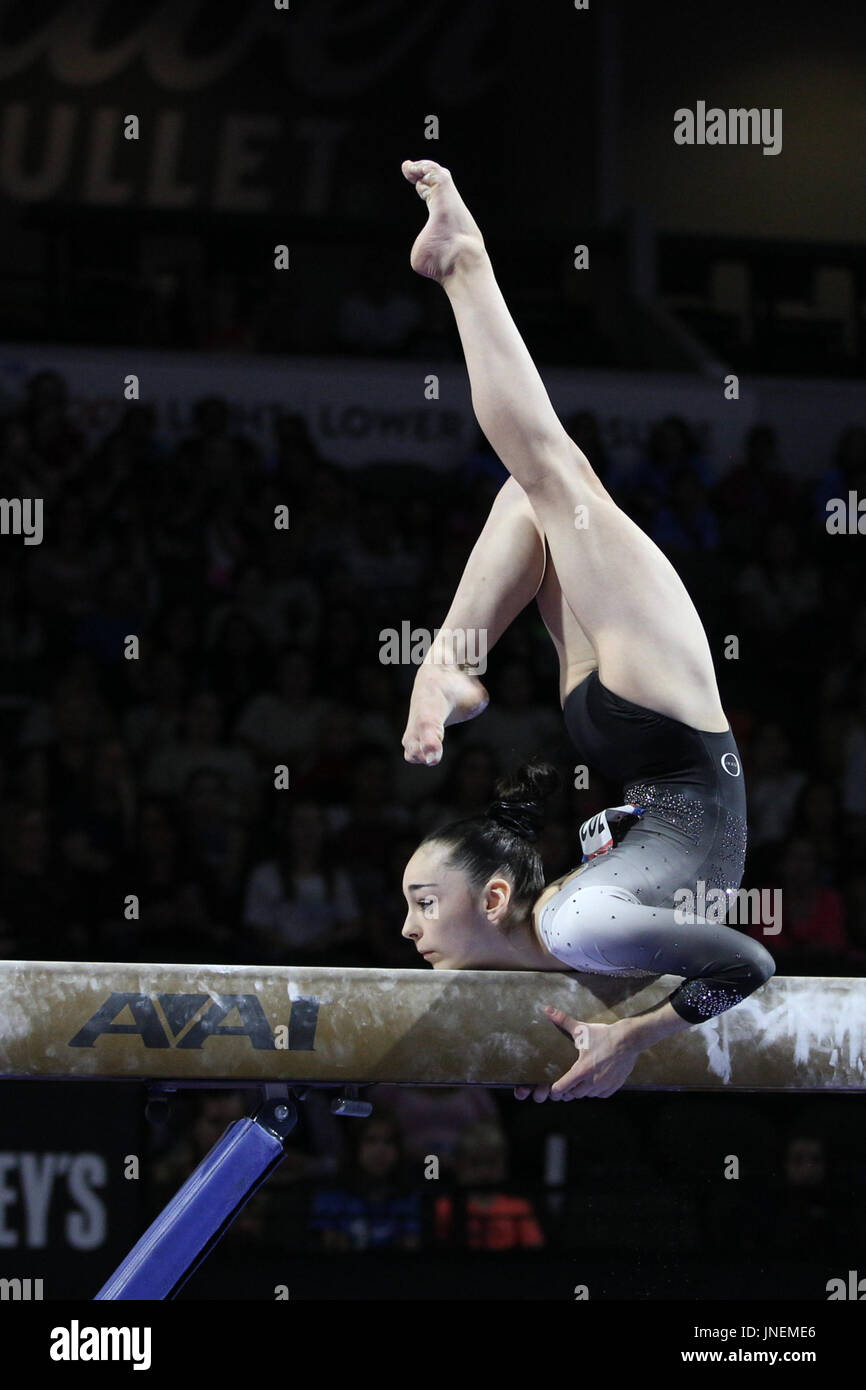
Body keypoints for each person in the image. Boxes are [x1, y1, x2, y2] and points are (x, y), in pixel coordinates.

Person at [396, 159, 775, 1103]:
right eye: (412, 904)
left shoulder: (571, 926)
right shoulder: (575, 926)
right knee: (546, 481)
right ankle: (452, 660)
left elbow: (737, 958)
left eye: (417, 904)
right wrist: (636, 1039)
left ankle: (467, 263)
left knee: (540, 484)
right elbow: (743, 961)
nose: (405, 928)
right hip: (674, 732)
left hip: (645, 742)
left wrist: (633, 1037)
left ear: (493, 900)